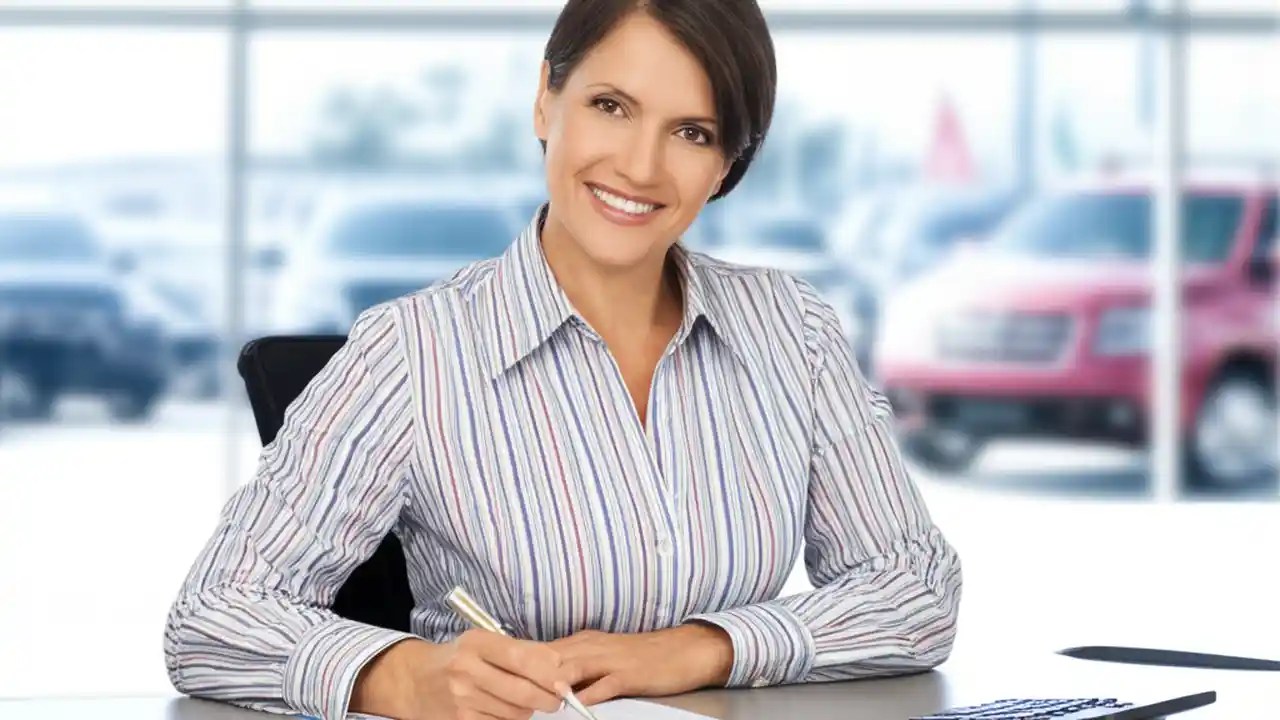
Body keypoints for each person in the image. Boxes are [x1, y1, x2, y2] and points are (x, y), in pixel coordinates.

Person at [163, 1, 962, 719]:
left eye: (693, 132)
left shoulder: (794, 333)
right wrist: (403, 676)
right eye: (611, 107)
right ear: (547, 98)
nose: (641, 168)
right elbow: (213, 614)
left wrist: (702, 647)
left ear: (726, 165)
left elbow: (915, 589)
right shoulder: (413, 353)